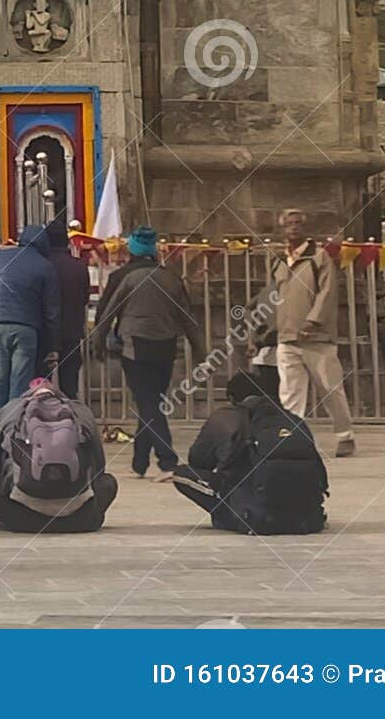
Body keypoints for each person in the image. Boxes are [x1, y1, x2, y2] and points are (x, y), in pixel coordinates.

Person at [91, 227, 205, 477]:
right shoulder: (172, 279)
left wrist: (97, 344)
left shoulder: (122, 277)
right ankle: (140, 460)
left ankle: (167, 459)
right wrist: (201, 352)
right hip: (166, 346)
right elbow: (188, 319)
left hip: (135, 347)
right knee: (152, 402)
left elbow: (106, 313)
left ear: (131, 249)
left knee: (148, 403)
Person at [170, 371, 327, 535]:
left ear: (231, 398)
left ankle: (231, 515)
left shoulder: (226, 417)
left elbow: (198, 461)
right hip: (308, 518)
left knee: (182, 474)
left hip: (257, 516)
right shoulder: (293, 420)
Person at [0, 377, 119, 533]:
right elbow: (100, 469)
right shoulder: (81, 411)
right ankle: (84, 516)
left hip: (23, 520)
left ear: (27, 394)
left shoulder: (10, 410)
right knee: (109, 482)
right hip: (82, 519)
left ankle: (12, 516)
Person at [267, 208, 355, 458]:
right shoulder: (278, 260)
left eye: (298, 223)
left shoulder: (319, 257)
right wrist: (266, 331)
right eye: (289, 224)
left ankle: (344, 434)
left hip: (316, 337)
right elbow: (273, 296)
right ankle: (292, 437)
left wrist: (313, 321)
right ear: (282, 229)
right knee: (290, 392)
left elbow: (327, 293)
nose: (293, 228)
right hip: (286, 335)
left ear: (305, 228)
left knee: (329, 387)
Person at [0, 224, 61, 409]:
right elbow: (51, 310)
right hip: (26, 328)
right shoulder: (45, 266)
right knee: (19, 384)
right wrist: (52, 344)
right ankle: (15, 430)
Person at [45, 218, 91, 400]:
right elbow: (85, 297)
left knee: (42, 380)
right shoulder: (79, 266)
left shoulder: (42, 264)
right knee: (70, 382)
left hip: (46, 330)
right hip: (72, 329)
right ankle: (71, 415)